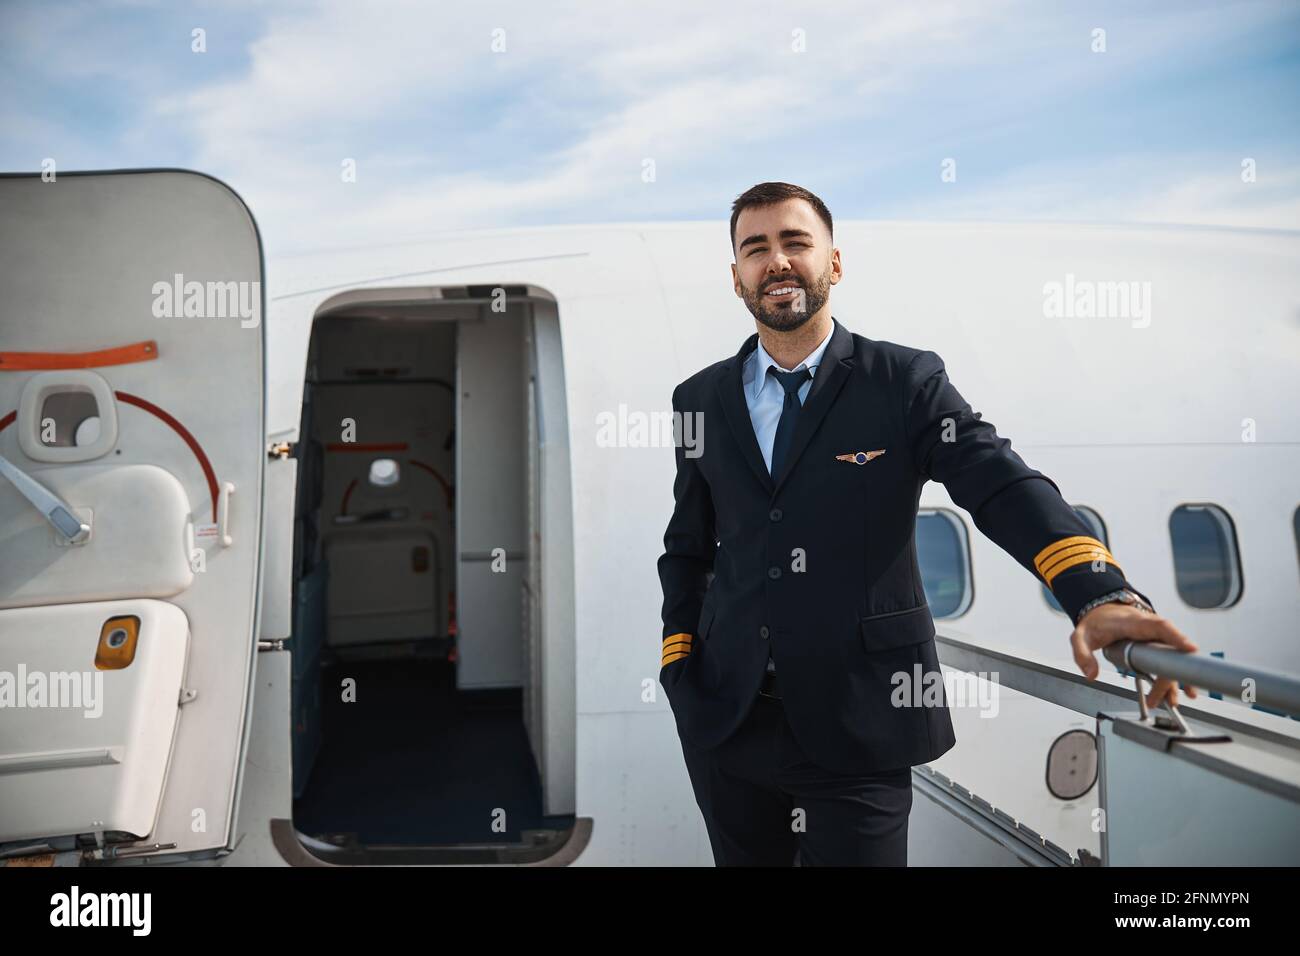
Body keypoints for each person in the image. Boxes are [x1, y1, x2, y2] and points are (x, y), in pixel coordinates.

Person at [655, 181, 1199, 866]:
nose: (777, 262)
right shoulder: (699, 398)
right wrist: (680, 655)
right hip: (728, 722)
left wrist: (1098, 592)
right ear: (737, 277)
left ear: (834, 261)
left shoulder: (901, 380)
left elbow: (997, 481)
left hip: (859, 724)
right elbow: (688, 545)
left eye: (796, 242)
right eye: (756, 249)